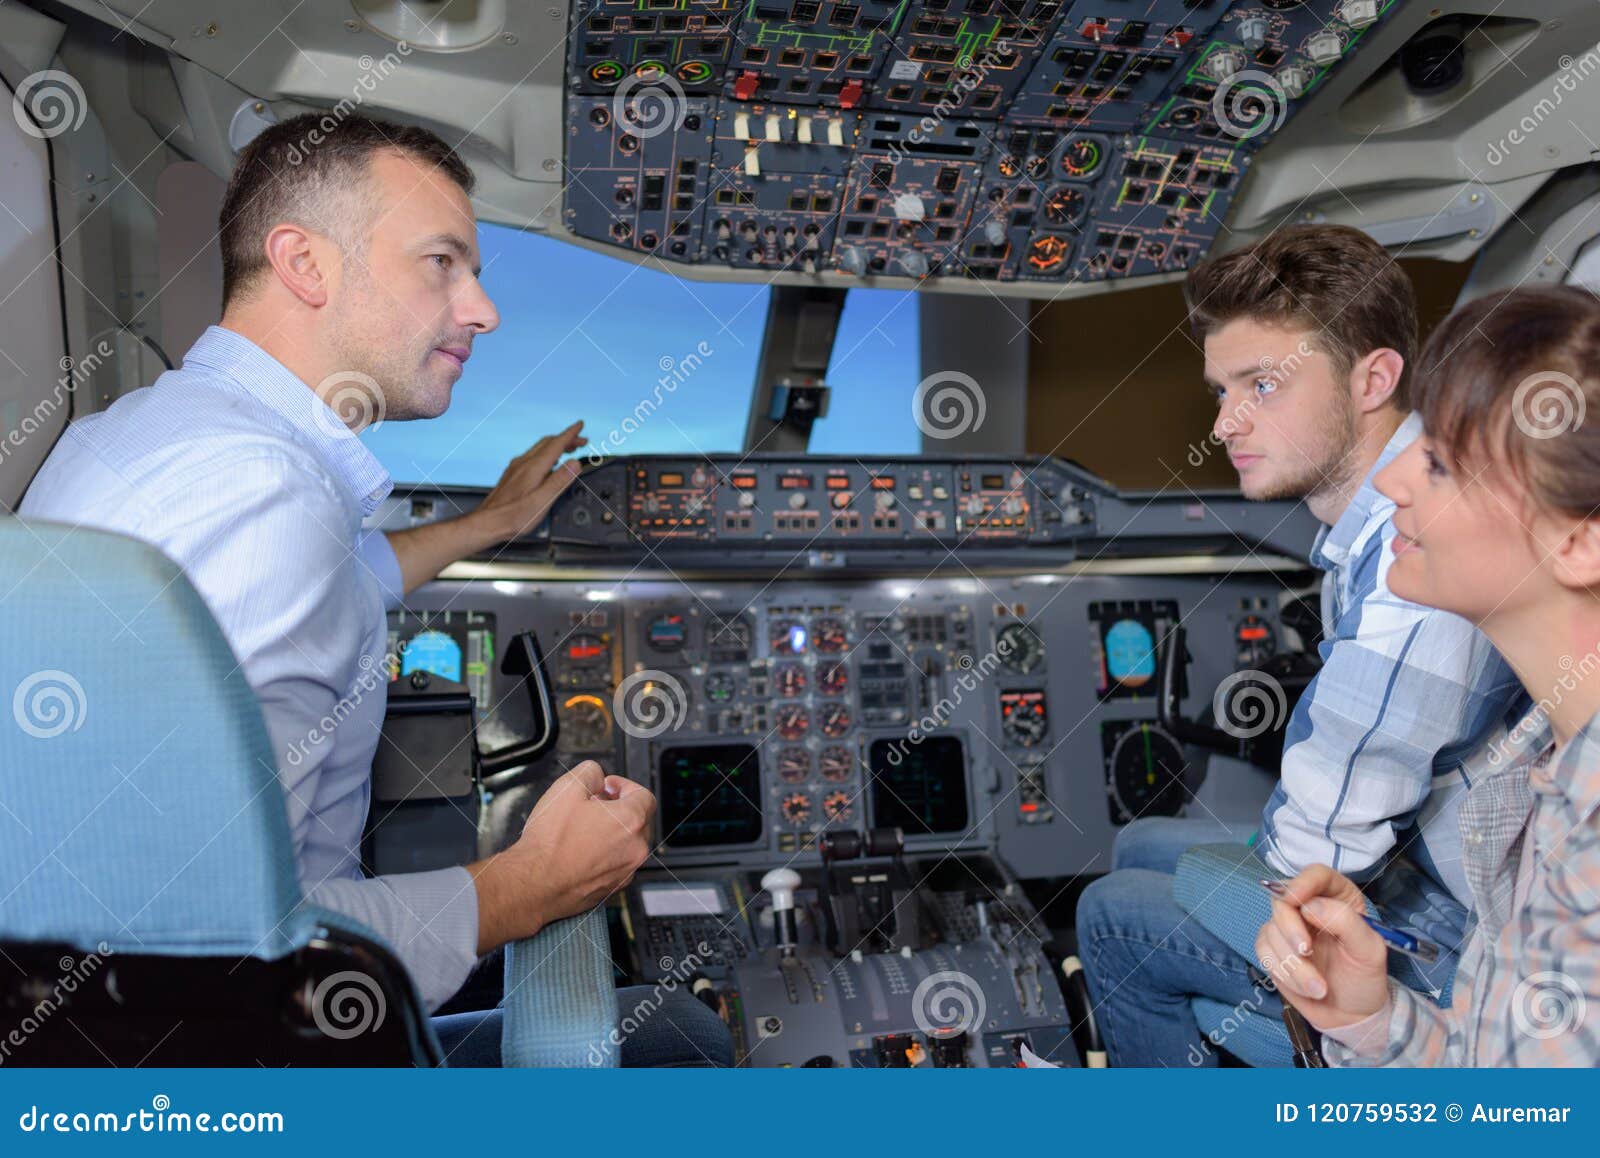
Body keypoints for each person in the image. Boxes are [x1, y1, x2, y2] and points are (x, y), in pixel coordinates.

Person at [19, 113, 730, 1066]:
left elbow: (339, 582)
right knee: (679, 1036)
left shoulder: (148, 434)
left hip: (105, 1036)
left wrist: (487, 524)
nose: (484, 310)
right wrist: (532, 882)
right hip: (227, 1063)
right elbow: (205, 947)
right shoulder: (260, 495)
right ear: (305, 263)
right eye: (442, 262)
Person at [1075, 225, 1523, 1066]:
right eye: (1221, 390)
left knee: (1113, 915)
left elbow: (1323, 844)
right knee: (1142, 846)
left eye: (1263, 384)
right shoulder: (1369, 534)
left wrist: (1250, 873)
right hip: (1424, 872)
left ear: (1373, 380)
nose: (1226, 422)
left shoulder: (1414, 552)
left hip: (1467, 946)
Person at [1259, 285, 1600, 1065]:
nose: (1390, 481)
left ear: (1579, 543)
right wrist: (1372, 1019)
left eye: (1440, 462)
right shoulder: (1542, 770)